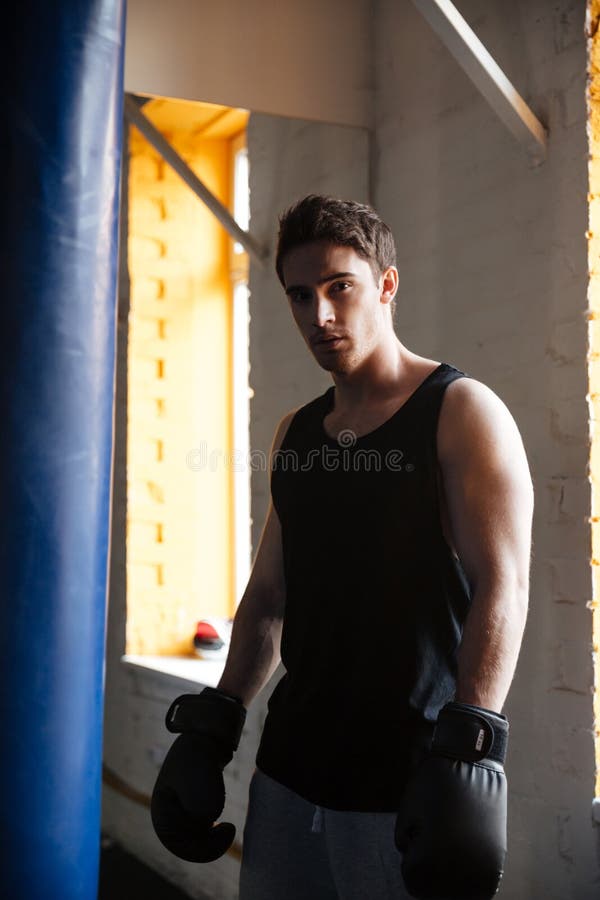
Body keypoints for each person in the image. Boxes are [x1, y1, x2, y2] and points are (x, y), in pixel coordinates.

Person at [150, 195, 534, 900]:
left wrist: (466, 752)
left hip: (406, 784)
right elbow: (269, 598)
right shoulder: (295, 433)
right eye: (301, 295)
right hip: (289, 775)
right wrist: (217, 721)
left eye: (338, 287)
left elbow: (502, 586)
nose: (318, 316)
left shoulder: (459, 411)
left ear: (386, 285)